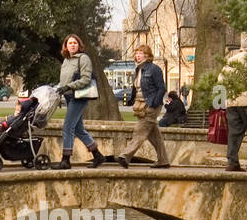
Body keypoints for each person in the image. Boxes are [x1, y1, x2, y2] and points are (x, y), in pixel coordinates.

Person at [53, 35, 108, 168]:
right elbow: (63, 81)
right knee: (78, 129)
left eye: (75, 43)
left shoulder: (83, 59)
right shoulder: (66, 61)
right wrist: (56, 89)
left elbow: (86, 79)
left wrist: (69, 86)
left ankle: (65, 160)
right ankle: (98, 155)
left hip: (78, 97)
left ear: (79, 45)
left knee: (67, 127)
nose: (72, 45)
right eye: (70, 43)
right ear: (65, 46)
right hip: (68, 96)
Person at [117, 46, 170, 168]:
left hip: (150, 105)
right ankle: (163, 160)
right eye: (137, 53)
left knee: (140, 131)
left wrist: (154, 103)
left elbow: (162, 88)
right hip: (141, 105)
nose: (138, 55)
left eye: (141, 53)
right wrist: (131, 100)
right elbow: (137, 88)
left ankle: (125, 156)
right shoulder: (139, 69)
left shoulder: (154, 69)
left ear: (147, 55)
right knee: (154, 135)